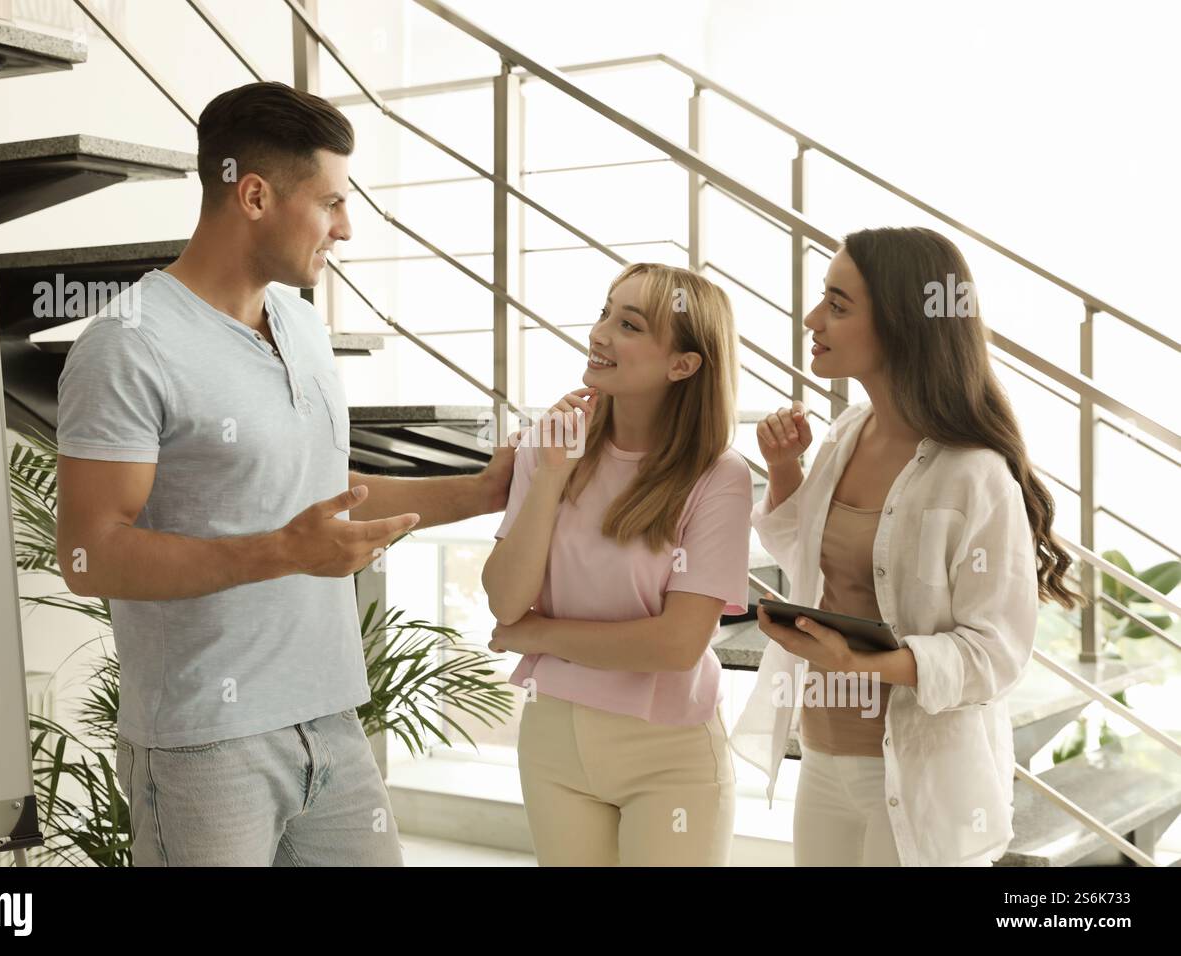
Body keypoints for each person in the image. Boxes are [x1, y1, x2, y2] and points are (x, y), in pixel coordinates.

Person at [55, 81, 514, 866]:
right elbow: (88, 554)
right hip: (204, 744)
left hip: (332, 720)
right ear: (256, 195)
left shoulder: (300, 322)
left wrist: (479, 493)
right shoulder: (130, 344)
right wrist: (281, 553)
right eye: (331, 202)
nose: (346, 227)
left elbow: (324, 497)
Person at [731, 226, 1079, 866]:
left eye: (838, 305)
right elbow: (806, 555)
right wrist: (784, 471)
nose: (814, 319)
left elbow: (994, 654)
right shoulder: (845, 434)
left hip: (915, 777)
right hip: (823, 753)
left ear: (900, 324)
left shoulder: (973, 474)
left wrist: (862, 665)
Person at [482, 262, 752, 866]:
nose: (600, 333)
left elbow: (677, 645)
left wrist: (539, 635)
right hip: (554, 739)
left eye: (629, 324)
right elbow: (504, 601)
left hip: (668, 754)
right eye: (605, 312)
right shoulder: (546, 448)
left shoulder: (719, 478)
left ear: (683, 364)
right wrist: (550, 476)